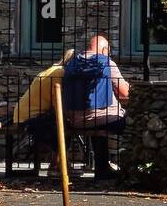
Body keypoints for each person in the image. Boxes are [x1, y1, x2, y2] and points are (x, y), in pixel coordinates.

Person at [62, 34, 130, 180]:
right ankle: (127, 166)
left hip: (77, 121)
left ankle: (103, 168)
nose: (109, 55)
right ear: (104, 50)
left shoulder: (72, 63)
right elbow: (125, 93)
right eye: (109, 52)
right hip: (107, 120)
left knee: (97, 119)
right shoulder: (106, 63)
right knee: (130, 122)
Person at [12, 49, 74, 171]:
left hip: (23, 114)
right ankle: (59, 164)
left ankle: (58, 163)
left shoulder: (52, 69)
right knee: (61, 127)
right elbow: (57, 101)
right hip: (30, 117)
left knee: (58, 125)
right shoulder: (59, 73)